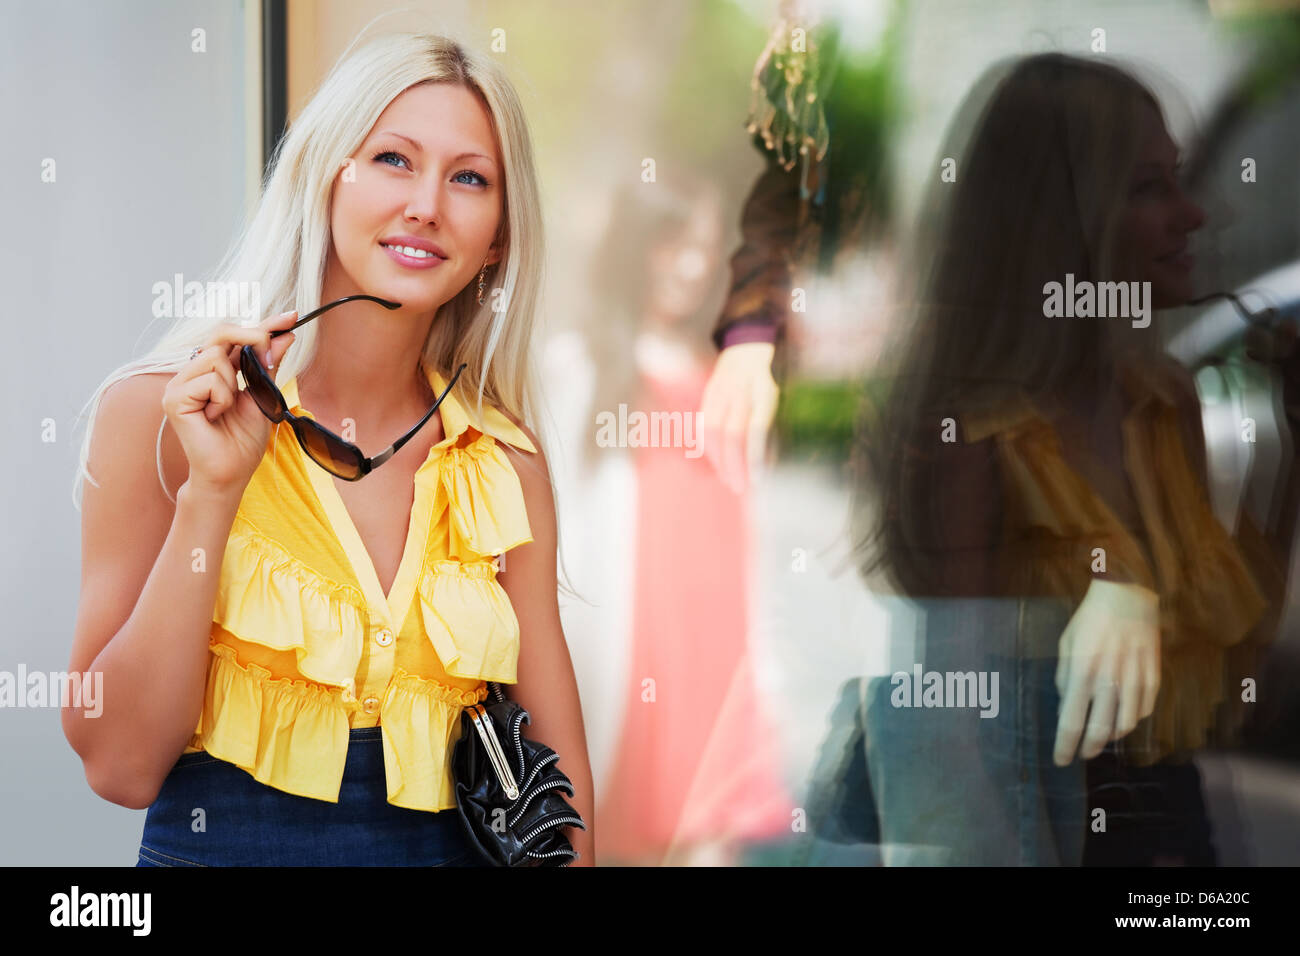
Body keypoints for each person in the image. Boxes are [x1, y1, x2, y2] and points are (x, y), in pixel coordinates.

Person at [62, 31, 595, 866]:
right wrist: (212, 494)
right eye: (392, 158)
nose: (427, 204)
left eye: (469, 178)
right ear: (324, 177)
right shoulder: (159, 416)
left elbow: (560, 822)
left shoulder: (506, 463)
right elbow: (119, 767)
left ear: (498, 236)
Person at [842, 52, 1297, 865]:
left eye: (1179, 179)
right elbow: (951, 743)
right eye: (1150, 188)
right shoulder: (974, 439)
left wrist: (1286, 457)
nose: (1195, 215)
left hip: (1168, 830)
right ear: (1063, 220)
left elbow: (1224, 690)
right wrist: (1100, 588)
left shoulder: (1160, 403)